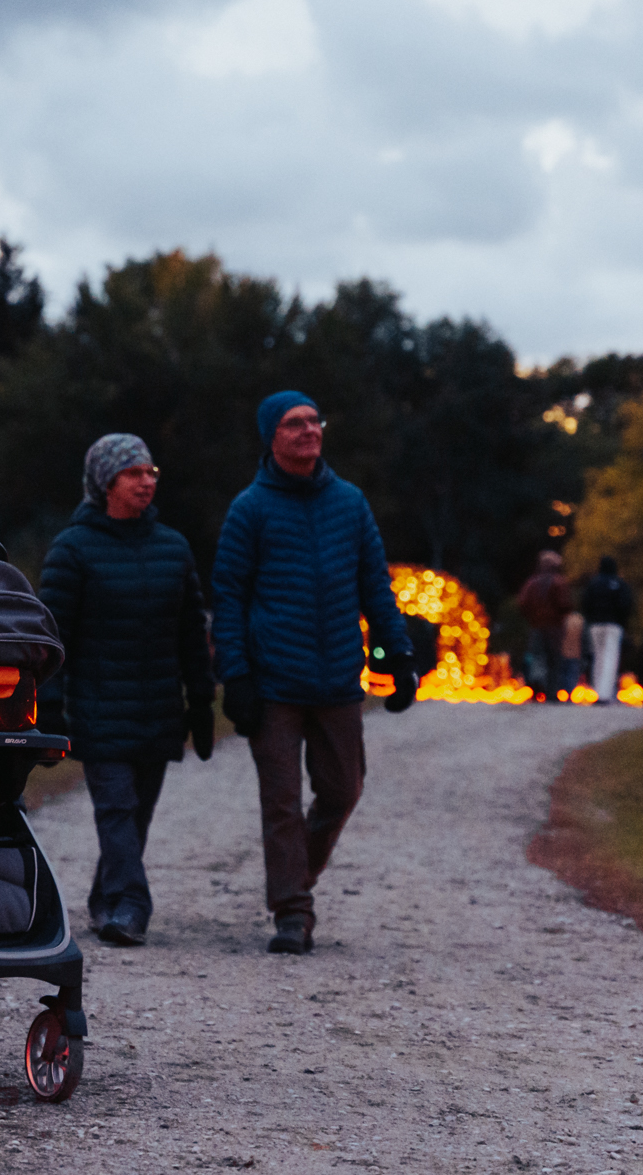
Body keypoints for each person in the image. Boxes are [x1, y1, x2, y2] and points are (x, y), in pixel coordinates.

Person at [213, 391, 417, 957]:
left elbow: (376, 587)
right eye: (293, 423)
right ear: (271, 438)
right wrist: (237, 676)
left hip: (337, 681)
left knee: (343, 790)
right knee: (280, 800)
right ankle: (293, 913)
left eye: (313, 420)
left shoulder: (349, 503)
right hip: (273, 681)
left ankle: (293, 878)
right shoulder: (249, 509)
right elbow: (228, 597)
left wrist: (397, 657)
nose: (308, 430)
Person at [37, 434, 213, 948]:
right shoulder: (73, 549)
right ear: (105, 482)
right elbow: (52, 637)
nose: (147, 480)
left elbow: (190, 633)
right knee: (115, 809)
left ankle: (105, 902)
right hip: (98, 709)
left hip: (159, 709)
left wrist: (201, 700)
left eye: (150, 471)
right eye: (133, 472)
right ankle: (132, 905)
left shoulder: (173, 547)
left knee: (135, 817)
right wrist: (48, 708)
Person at [516, 551, 571, 699]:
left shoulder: (531, 583)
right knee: (554, 660)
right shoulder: (559, 582)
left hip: (536, 626)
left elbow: (522, 602)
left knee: (537, 658)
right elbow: (564, 604)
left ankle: (536, 689)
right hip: (554, 628)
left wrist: (531, 617)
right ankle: (552, 693)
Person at [581, 554, 634, 704]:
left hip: (595, 625)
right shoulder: (618, 583)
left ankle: (598, 691)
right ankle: (605, 693)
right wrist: (622, 622)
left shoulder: (594, 583)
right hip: (613, 625)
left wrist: (591, 619)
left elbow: (585, 603)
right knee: (610, 657)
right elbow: (625, 605)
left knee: (598, 657)